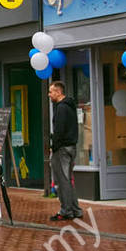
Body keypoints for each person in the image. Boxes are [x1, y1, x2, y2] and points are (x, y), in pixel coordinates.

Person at [47, 80, 82, 221]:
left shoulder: (61, 108)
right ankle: (75, 209)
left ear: (58, 92)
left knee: (62, 180)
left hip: (62, 149)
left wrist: (54, 146)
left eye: (50, 92)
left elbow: (59, 130)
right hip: (71, 147)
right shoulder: (70, 106)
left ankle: (66, 210)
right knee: (68, 179)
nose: (49, 95)